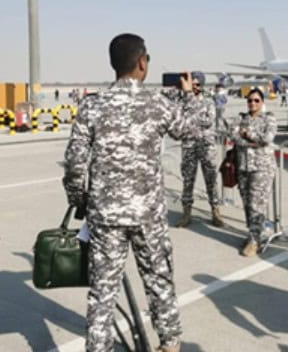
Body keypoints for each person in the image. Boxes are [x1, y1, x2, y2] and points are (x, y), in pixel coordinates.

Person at [62, 34, 199, 352]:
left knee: (102, 292)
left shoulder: (92, 106)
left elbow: (74, 164)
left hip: (105, 215)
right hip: (147, 215)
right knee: (158, 281)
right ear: (142, 62)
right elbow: (192, 128)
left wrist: (79, 199)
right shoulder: (158, 103)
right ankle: (169, 345)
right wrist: (189, 96)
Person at [233, 88, 278, 257]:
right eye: (250, 100)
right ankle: (252, 234)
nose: (252, 103)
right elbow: (234, 136)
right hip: (244, 166)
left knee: (256, 204)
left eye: (256, 100)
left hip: (262, 168)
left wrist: (248, 134)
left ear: (262, 102)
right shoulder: (241, 118)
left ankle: (254, 240)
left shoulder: (269, 118)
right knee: (246, 203)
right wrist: (253, 141)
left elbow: (268, 139)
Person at [176, 72, 224, 229]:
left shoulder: (209, 102)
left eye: (197, 84)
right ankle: (186, 213)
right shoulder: (183, 101)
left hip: (206, 145)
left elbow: (208, 121)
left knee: (211, 179)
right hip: (189, 145)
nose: (194, 87)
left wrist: (191, 118)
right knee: (188, 180)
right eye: (192, 84)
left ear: (202, 85)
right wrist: (192, 119)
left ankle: (215, 211)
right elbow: (180, 121)